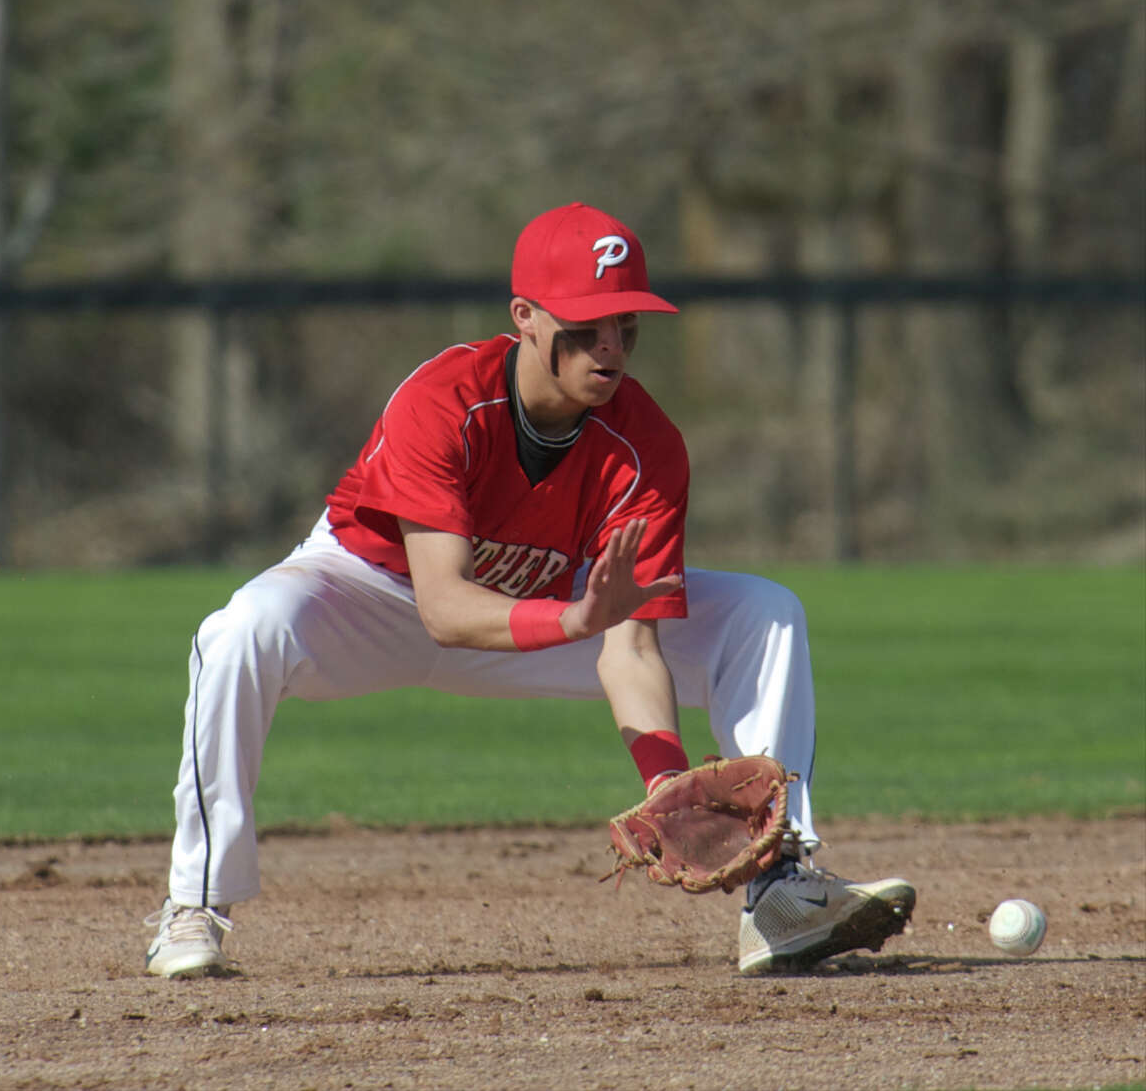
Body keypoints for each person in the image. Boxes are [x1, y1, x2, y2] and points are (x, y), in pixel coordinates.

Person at [144, 202, 914, 979]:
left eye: (626, 325)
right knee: (240, 629)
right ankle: (196, 904)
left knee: (763, 611)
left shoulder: (647, 446)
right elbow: (443, 609)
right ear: (526, 318)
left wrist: (667, 781)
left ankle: (779, 890)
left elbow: (630, 645)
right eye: (587, 326)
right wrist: (577, 614)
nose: (610, 346)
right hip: (371, 593)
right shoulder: (445, 398)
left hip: (540, 610)